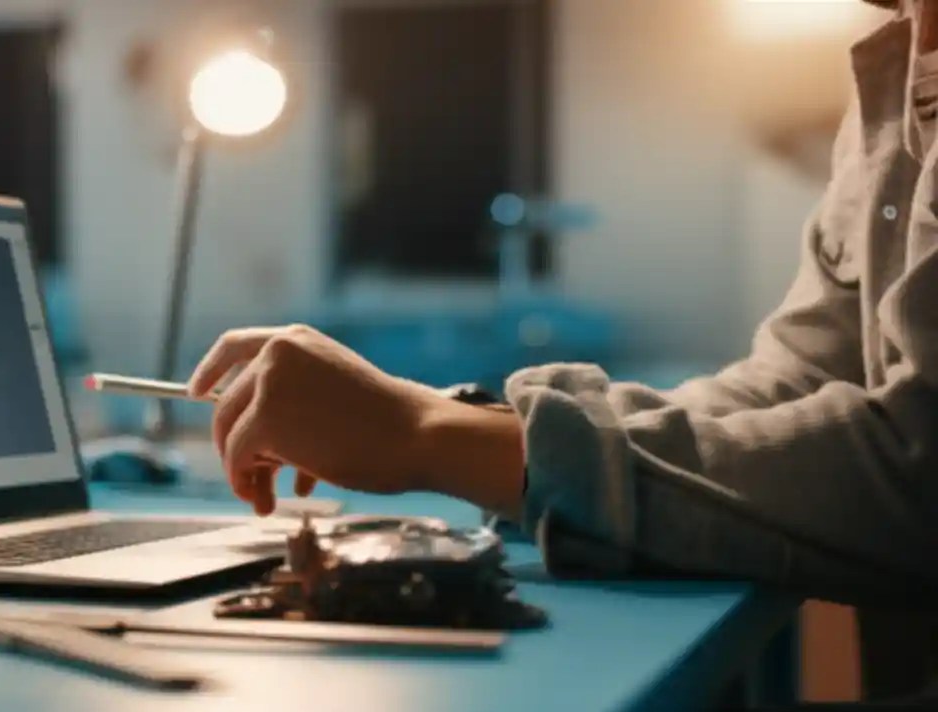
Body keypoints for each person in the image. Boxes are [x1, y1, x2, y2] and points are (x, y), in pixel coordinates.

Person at [190, 0, 938, 638]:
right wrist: (462, 423)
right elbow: (794, 387)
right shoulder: (894, 63)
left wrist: (426, 438)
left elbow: (917, 478)